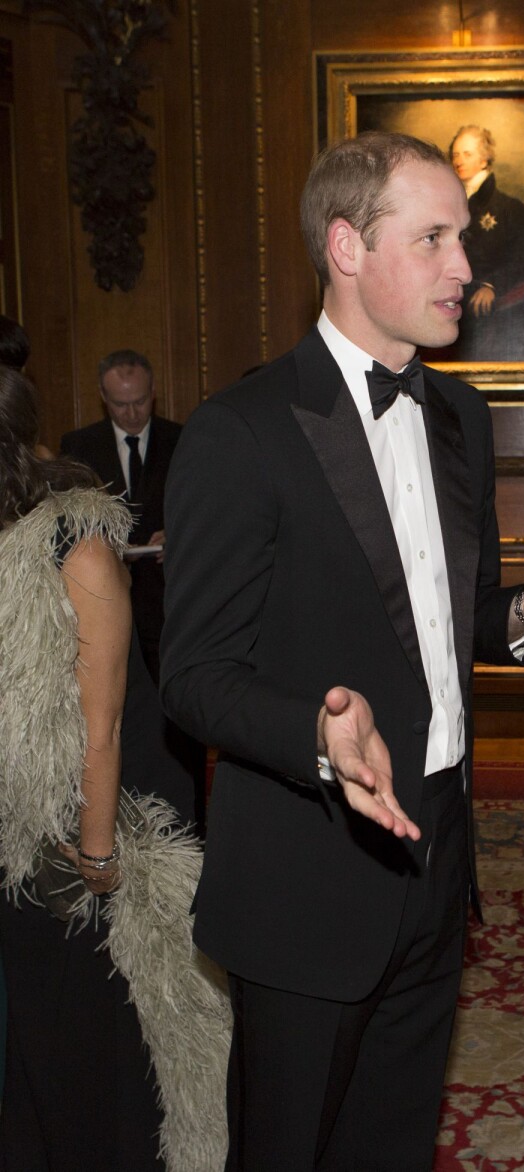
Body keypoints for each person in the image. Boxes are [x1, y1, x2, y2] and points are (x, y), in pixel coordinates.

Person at [160, 130, 524, 1171]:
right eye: (433, 237)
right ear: (347, 247)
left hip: (437, 855)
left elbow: (448, 619)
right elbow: (194, 676)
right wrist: (315, 729)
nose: (464, 265)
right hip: (310, 873)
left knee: (391, 1145)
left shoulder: (460, 419)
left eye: (463, 236)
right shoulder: (239, 430)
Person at [0, 368, 226, 1170]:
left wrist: (96, 859)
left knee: (85, 1018)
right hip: (13, 814)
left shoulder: (73, 538)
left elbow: (103, 721)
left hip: (85, 811)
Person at [60, 350, 182, 685]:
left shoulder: (183, 439)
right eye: (119, 404)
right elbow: (68, 524)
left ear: (154, 391)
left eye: (140, 402)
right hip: (105, 601)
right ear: (102, 397)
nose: (131, 413)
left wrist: (178, 535)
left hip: (167, 603)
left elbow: (206, 511)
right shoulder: (78, 447)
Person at [447, 124, 524, 360]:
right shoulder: (447, 204)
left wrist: (492, 286)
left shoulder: (511, 209)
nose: (459, 160)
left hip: (487, 304)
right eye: (456, 155)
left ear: (484, 159)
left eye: (467, 154)